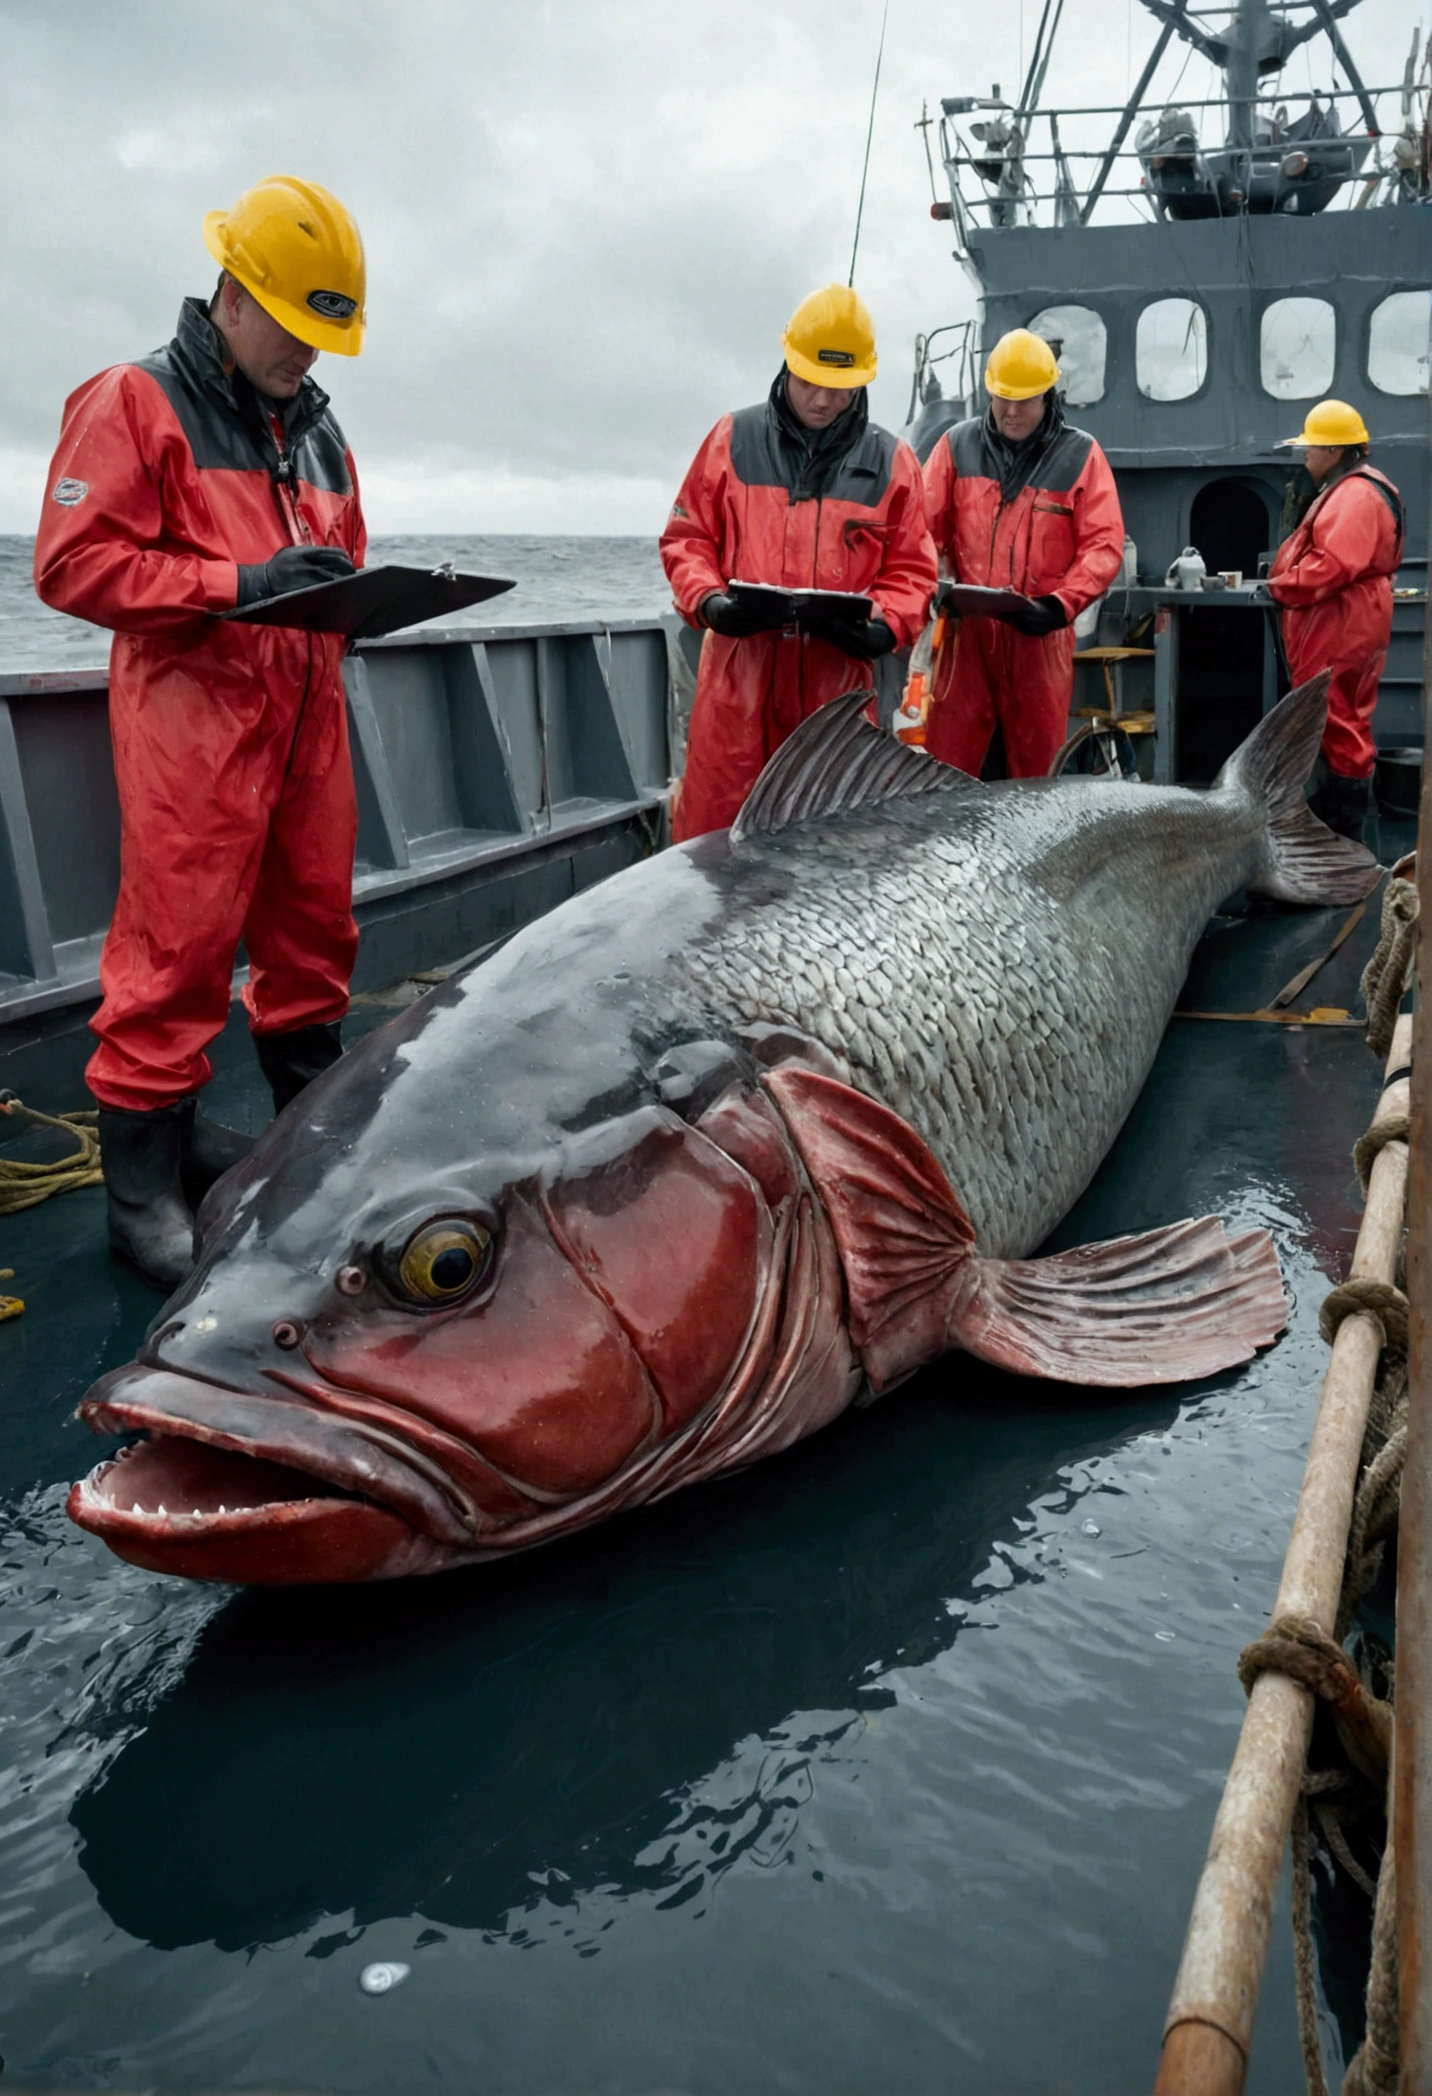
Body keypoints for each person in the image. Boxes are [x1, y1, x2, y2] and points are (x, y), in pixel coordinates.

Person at [33, 175, 368, 1290]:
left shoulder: (320, 434)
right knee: (173, 955)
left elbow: (342, 553)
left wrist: (356, 597)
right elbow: (73, 562)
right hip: (197, 727)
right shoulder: (134, 399)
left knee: (314, 935)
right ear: (234, 294)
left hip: (307, 718)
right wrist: (240, 582)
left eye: (328, 336)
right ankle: (140, 1194)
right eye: (296, 326)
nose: (310, 356)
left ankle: (305, 1149)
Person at [659, 285, 937, 840]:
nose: (821, 400)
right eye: (809, 381)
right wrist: (710, 602)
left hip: (835, 693)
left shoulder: (892, 460)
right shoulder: (731, 437)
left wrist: (885, 627)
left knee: (833, 842)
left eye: (838, 388)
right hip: (738, 682)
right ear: (787, 364)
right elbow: (687, 539)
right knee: (716, 837)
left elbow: (912, 569)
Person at [920, 328, 1125, 777]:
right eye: (1001, 398)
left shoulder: (1082, 455)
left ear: (1048, 396)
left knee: (1036, 772)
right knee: (947, 764)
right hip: (965, 639)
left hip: (1041, 640)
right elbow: (920, 531)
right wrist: (932, 585)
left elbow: (1103, 545)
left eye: (1025, 400)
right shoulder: (955, 446)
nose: (1012, 412)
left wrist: (1059, 605)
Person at [1266, 400, 1405, 841]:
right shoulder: (1354, 490)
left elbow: (1333, 565)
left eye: (1313, 446)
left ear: (1336, 451)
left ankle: (1339, 833)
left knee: (1334, 721)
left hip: (1339, 622)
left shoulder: (1356, 495)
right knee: (1337, 718)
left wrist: (1279, 587)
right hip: (1345, 617)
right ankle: (1336, 831)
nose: (1306, 454)